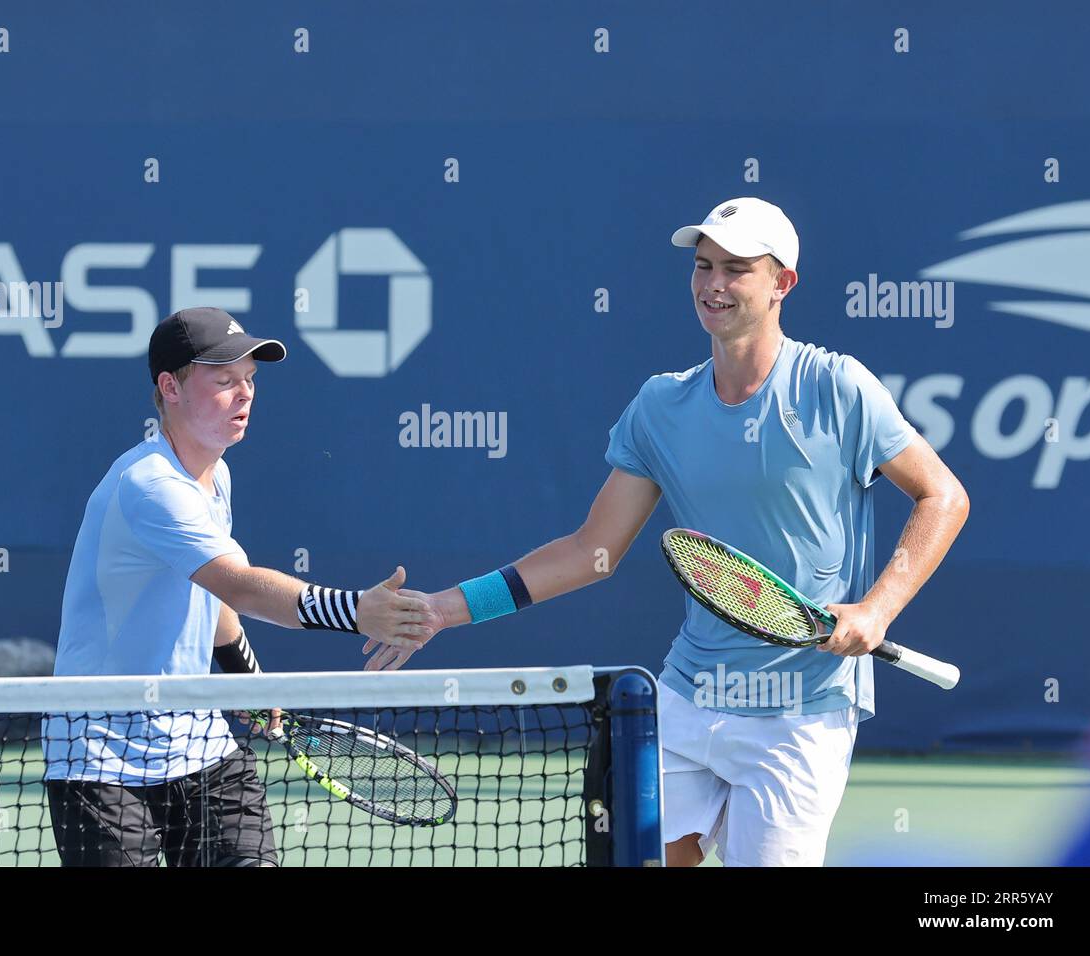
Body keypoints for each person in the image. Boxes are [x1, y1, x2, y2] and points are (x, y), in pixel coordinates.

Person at [366, 199, 970, 867]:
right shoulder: (661, 406)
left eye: (736, 269)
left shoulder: (836, 386)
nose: (713, 285)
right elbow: (588, 553)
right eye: (703, 266)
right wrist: (444, 611)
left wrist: (877, 608)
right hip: (689, 695)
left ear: (782, 283)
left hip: (803, 711)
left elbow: (942, 496)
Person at [43, 306, 435, 867]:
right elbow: (243, 586)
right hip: (100, 759)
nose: (245, 394)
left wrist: (246, 678)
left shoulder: (216, 474)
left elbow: (214, 595)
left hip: (200, 745)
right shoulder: (149, 485)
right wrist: (356, 610)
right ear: (169, 387)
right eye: (224, 381)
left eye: (249, 381)